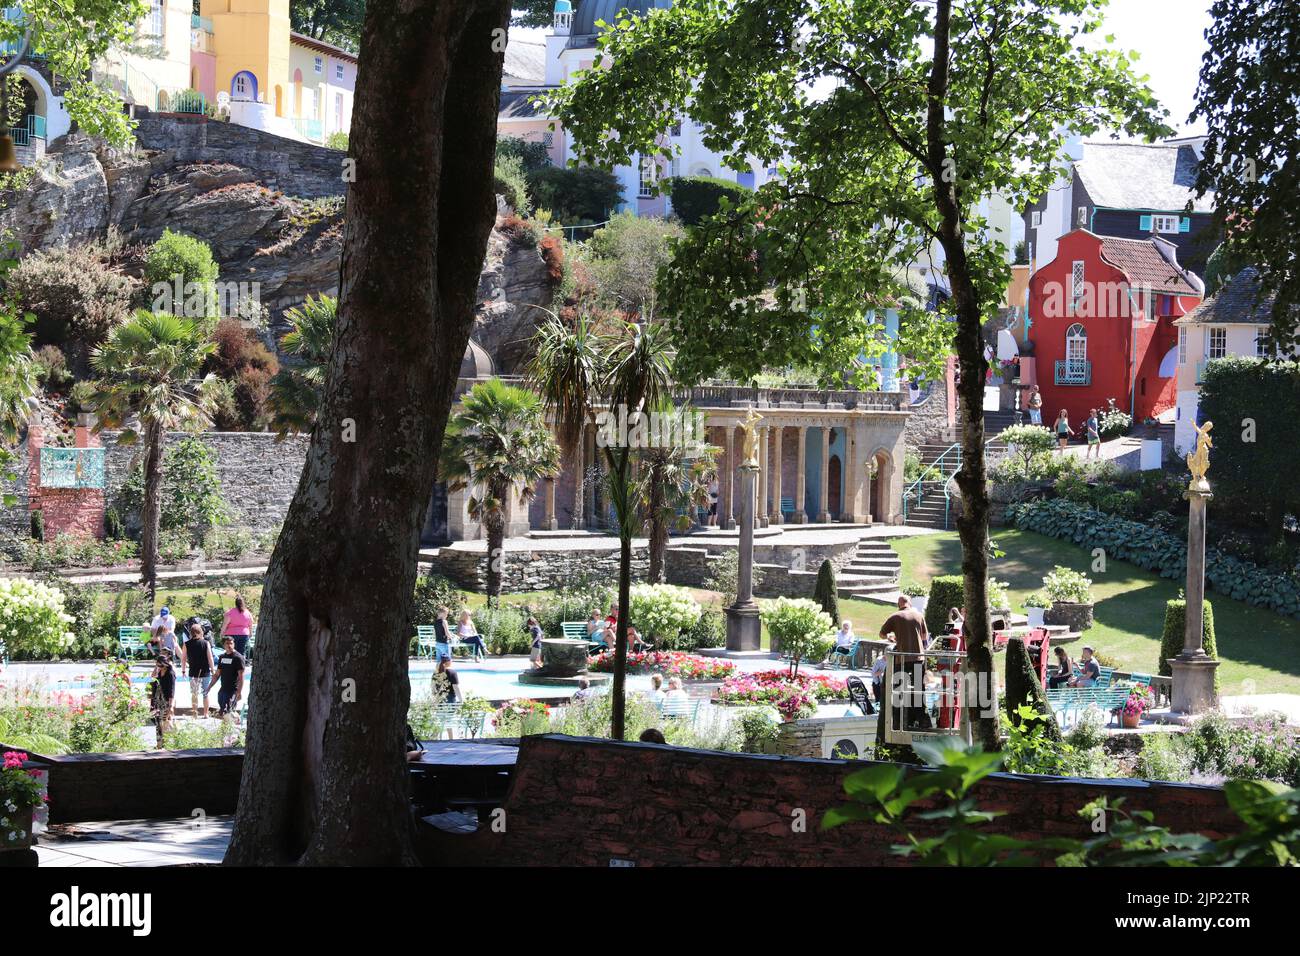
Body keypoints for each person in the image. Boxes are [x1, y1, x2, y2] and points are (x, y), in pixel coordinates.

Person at [879, 594, 931, 731]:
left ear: (899, 604)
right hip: (918, 658)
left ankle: (898, 721)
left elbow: (882, 634)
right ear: (910, 603)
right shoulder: (919, 615)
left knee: (898, 690)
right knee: (919, 689)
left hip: (901, 659)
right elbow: (925, 636)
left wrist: (892, 637)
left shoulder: (895, 616)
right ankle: (922, 719)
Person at [181, 622, 215, 719]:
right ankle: (205, 714)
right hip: (205, 671)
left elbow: (183, 658)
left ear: (190, 633)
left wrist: (183, 670)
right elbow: (210, 658)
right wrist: (212, 670)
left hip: (193, 672)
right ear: (201, 632)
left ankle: (195, 714)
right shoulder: (206, 643)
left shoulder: (186, 644)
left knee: (194, 694)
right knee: (205, 693)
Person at [213, 636, 246, 718]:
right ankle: (225, 727)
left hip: (233, 690)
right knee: (222, 711)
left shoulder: (238, 658)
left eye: (231, 643)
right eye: (227, 644)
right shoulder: (222, 657)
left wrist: (239, 692)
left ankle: (231, 725)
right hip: (223, 689)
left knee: (229, 711)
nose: (229, 645)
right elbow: (217, 674)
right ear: (223, 645)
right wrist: (209, 687)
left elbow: (241, 677)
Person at [148, 654, 176, 746]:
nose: (159, 667)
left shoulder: (170, 674)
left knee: (164, 722)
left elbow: (172, 691)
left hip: (165, 701)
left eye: (160, 665)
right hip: (157, 700)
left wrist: (171, 706)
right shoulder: (160, 672)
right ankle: (159, 743)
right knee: (156, 722)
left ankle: (165, 743)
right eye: (157, 665)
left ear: (165, 664)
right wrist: (156, 668)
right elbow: (152, 678)